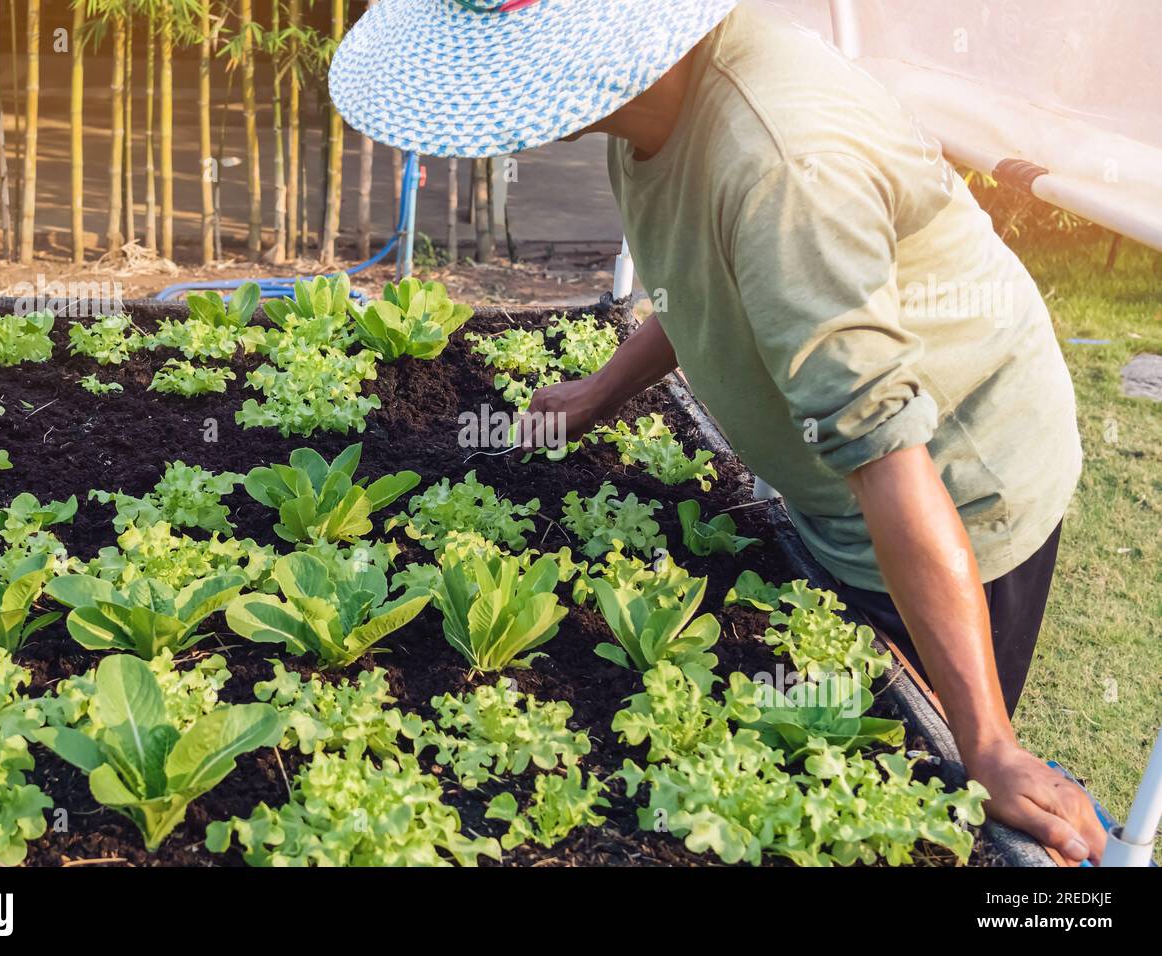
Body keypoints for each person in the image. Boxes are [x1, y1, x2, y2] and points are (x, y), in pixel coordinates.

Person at [329, 0, 1104, 864]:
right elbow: (707, 273)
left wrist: (988, 746)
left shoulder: (782, 165)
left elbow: (888, 454)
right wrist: (602, 390)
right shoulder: (652, 111)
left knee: (909, 777)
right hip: (853, 488)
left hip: (953, 495)